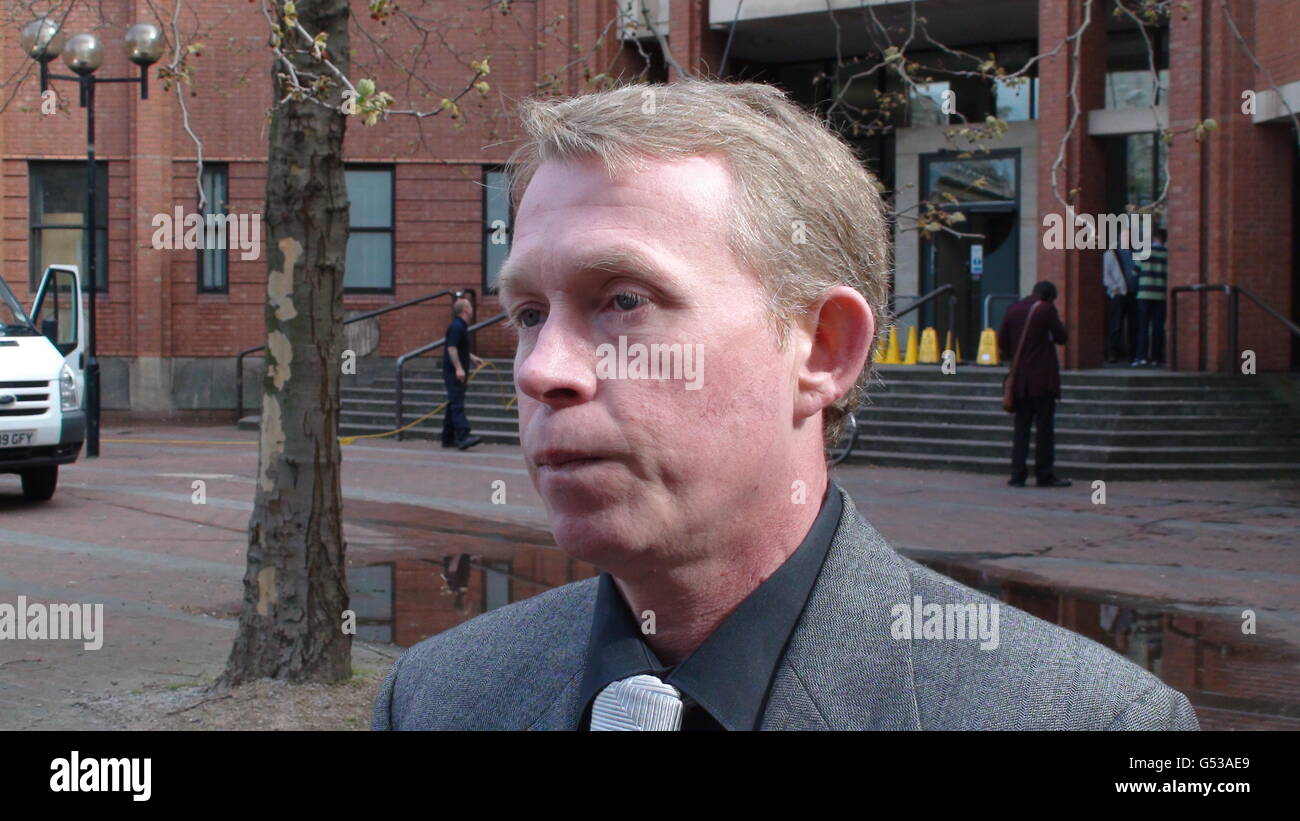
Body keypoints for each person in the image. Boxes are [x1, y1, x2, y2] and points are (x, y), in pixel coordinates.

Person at [374, 80, 1198, 731]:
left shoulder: (1087, 720)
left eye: (623, 299)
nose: (543, 368)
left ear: (823, 347)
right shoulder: (435, 698)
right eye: (527, 315)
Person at [999, 281, 1071, 489]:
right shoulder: (1046, 310)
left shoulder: (1013, 309)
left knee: (1021, 428)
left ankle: (1017, 474)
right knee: (1044, 429)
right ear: (1049, 297)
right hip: (1043, 380)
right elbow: (1061, 337)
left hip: (1020, 380)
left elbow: (1002, 341)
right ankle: (1044, 474)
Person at [440, 297, 484, 450]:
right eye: (470, 307)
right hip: (453, 373)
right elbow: (451, 348)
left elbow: (459, 348)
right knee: (457, 403)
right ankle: (463, 436)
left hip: (456, 371)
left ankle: (447, 437)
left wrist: (472, 357)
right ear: (465, 310)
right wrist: (458, 368)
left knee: (453, 403)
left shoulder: (461, 326)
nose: (472, 309)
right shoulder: (457, 326)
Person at [1133, 227, 1169, 367]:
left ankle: (1141, 356)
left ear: (1153, 238)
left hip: (1144, 293)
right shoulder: (1166, 254)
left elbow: (1135, 272)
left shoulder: (1143, 251)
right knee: (1158, 327)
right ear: (1164, 238)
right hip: (1160, 294)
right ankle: (1156, 357)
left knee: (1142, 326)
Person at [1102, 245, 1132, 363]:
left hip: (1132, 293)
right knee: (1116, 324)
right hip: (1118, 294)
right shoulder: (1110, 254)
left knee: (1132, 325)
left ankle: (1130, 352)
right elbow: (1106, 275)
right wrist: (1115, 288)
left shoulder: (1134, 252)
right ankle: (1113, 352)